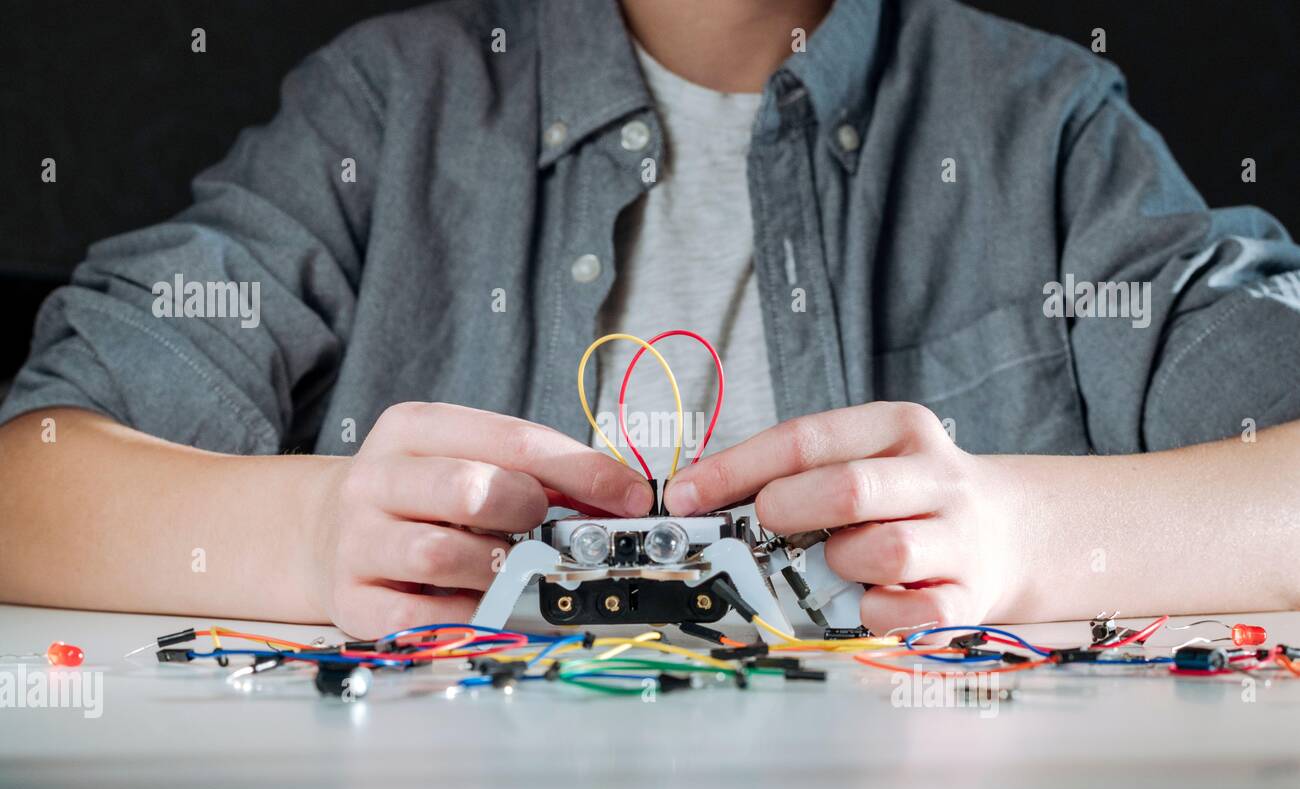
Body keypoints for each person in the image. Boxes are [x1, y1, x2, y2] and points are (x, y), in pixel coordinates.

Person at [2, 0, 1299, 640]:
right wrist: (312, 534)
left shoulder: (1041, 121)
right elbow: (30, 480)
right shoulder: (383, 111)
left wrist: (1017, 536)